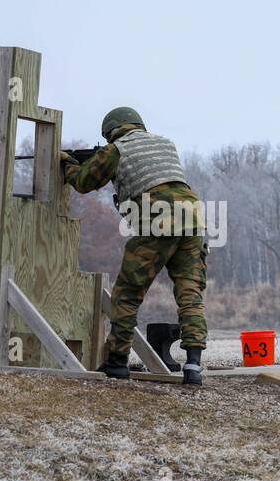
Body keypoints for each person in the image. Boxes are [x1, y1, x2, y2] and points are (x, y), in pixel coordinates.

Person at [63, 106, 208, 384]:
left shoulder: (116, 149)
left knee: (128, 293)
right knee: (190, 293)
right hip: (193, 218)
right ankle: (193, 365)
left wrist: (68, 164)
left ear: (112, 131)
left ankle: (117, 362)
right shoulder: (165, 143)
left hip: (158, 218)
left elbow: (83, 182)